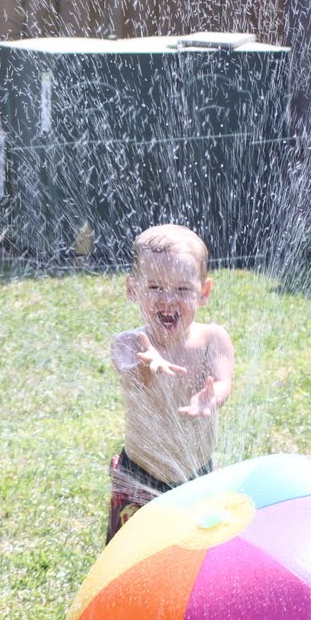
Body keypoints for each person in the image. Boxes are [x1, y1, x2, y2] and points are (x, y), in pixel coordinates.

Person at [107, 224, 235, 541]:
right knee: (135, 558)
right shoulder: (127, 344)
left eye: (182, 289)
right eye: (154, 287)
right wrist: (148, 365)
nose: (168, 299)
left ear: (203, 292)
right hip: (141, 479)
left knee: (197, 556)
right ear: (132, 289)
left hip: (198, 475)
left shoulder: (213, 339)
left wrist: (211, 397)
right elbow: (136, 379)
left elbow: (223, 382)